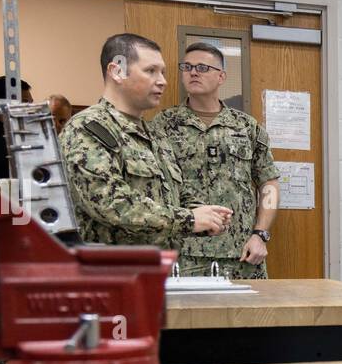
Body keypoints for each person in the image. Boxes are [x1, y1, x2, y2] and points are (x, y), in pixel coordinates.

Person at [59, 33, 226, 248]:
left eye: (163, 72)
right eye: (150, 71)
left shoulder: (153, 134)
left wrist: (208, 215)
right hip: (111, 273)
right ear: (116, 71)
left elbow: (176, 196)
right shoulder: (87, 128)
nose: (163, 81)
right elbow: (110, 203)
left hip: (159, 270)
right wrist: (189, 220)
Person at [152, 41, 278, 278]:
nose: (192, 72)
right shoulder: (164, 125)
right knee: (188, 316)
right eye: (187, 66)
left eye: (202, 67)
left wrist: (260, 234)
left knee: (247, 315)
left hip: (242, 254)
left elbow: (268, 182)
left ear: (221, 77)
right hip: (184, 253)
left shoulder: (246, 126)